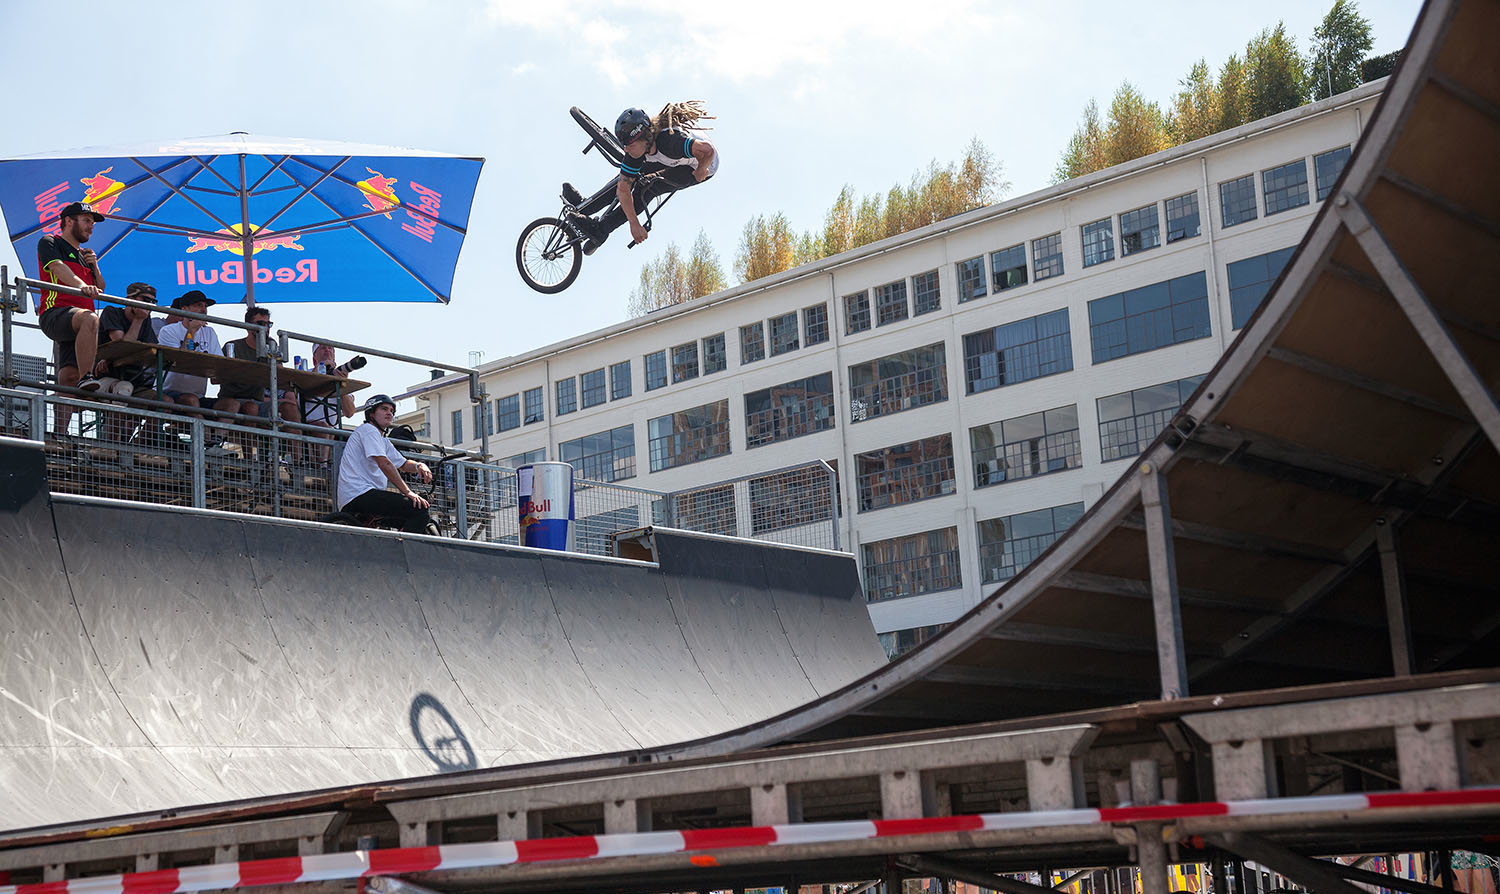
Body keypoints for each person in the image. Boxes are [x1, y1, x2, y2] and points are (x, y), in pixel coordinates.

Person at [565, 101, 718, 256]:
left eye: (629, 144)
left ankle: (600, 231)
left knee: (646, 188)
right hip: (666, 157)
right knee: (624, 180)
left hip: (698, 166)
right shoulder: (636, 151)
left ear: (644, 138)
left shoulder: (670, 142)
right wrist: (633, 222)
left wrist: (701, 169)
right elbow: (623, 190)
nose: (626, 149)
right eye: (623, 144)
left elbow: (707, 150)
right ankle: (585, 207)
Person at [37, 201, 107, 433]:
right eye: (87, 221)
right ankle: (87, 378)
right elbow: (57, 268)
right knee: (91, 319)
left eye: (92, 223)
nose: (91, 227)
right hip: (56, 313)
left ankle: (59, 435)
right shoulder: (50, 242)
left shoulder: (84, 255)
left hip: (77, 324)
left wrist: (94, 268)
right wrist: (82, 286)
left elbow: (101, 287)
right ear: (69, 221)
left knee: (67, 378)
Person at [337, 394, 434, 534]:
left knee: (416, 518)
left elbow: (404, 464)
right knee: (419, 510)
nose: (389, 413)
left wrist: (419, 466)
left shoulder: (383, 440)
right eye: (384, 409)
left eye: (391, 411)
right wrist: (408, 492)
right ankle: (399, 551)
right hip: (358, 494)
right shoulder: (368, 430)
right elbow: (385, 464)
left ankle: (397, 547)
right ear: (371, 414)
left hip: (366, 496)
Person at [95, 282, 160, 441]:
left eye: (153, 302)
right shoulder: (112, 312)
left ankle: (138, 445)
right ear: (130, 299)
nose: (149, 305)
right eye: (145, 300)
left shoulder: (146, 320)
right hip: (102, 380)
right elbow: (122, 346)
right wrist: (138, 320)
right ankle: (110, 445)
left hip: (134, 380)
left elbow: (150, 351)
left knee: (163, 401)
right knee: (124, 389)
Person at [220, 306, 300, 424]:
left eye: (268, 324)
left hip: (259, 401)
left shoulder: (271, 346)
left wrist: (273, 351)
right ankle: (250, 443)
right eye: (261, 323)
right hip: (232, 399)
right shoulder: (233, 346)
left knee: (290, 409)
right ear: (248, 326)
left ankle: (296, 443)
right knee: (251, 407)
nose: (266, 328)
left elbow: (280, 378)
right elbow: (218, 377)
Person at [297, 342, 356, 465]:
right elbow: (300, 396)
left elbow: (349, 412)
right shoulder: (306, 373)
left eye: (330, 348)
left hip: (331, 430)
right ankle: (322, 468)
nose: (327, 350)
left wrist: (341, 384)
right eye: (323, 348)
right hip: (307, 426)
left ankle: (328, 471)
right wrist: (317, 371)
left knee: (353, 436)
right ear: (314, 357)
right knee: (324, 428)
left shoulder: (340, 377)